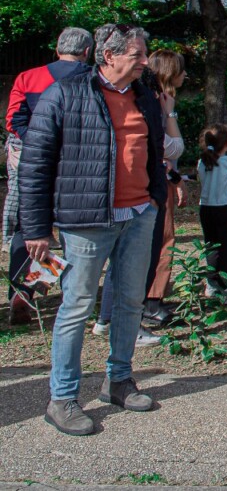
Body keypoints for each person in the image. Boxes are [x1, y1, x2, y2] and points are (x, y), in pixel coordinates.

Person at [20, 23, 168, 435]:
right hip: (85, 222)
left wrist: (155, 197)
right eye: (137, 55)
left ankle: (118, 381)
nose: (144, 62)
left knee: (129, 303)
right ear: (109, 56)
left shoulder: (144, 96)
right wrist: (36, 229)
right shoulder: (64, 95)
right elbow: (35, 166)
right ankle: (62, 398)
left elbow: (153, 150)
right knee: (76, 307)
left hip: (139, 215)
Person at [95, 51, 188, 339]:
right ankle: (137, 312)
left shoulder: (142, 98)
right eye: (182, 71)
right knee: (149, 249)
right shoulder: (153, 101)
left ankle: (111, 317)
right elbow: (171, 149)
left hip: (145, 187)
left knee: (127, 254)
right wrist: (170, 112)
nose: (186, 76)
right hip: (146, 191)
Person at [5, 27, 92, 325]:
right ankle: (52, 284)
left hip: (34, 163)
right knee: (72, 229)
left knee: (26, 227)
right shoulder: (93, 78)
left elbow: (13, 118)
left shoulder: (27, 78)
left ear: (57, 49)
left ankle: (22, 290)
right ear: (88, 51)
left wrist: (36, 144)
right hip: (76, 164)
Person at [196, 124, 227, 300]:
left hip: (206, 208)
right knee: (226, 248)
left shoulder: (203, 161)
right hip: (225, 209)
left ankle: (211, 285)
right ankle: (225, 287)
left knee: (211, 246)